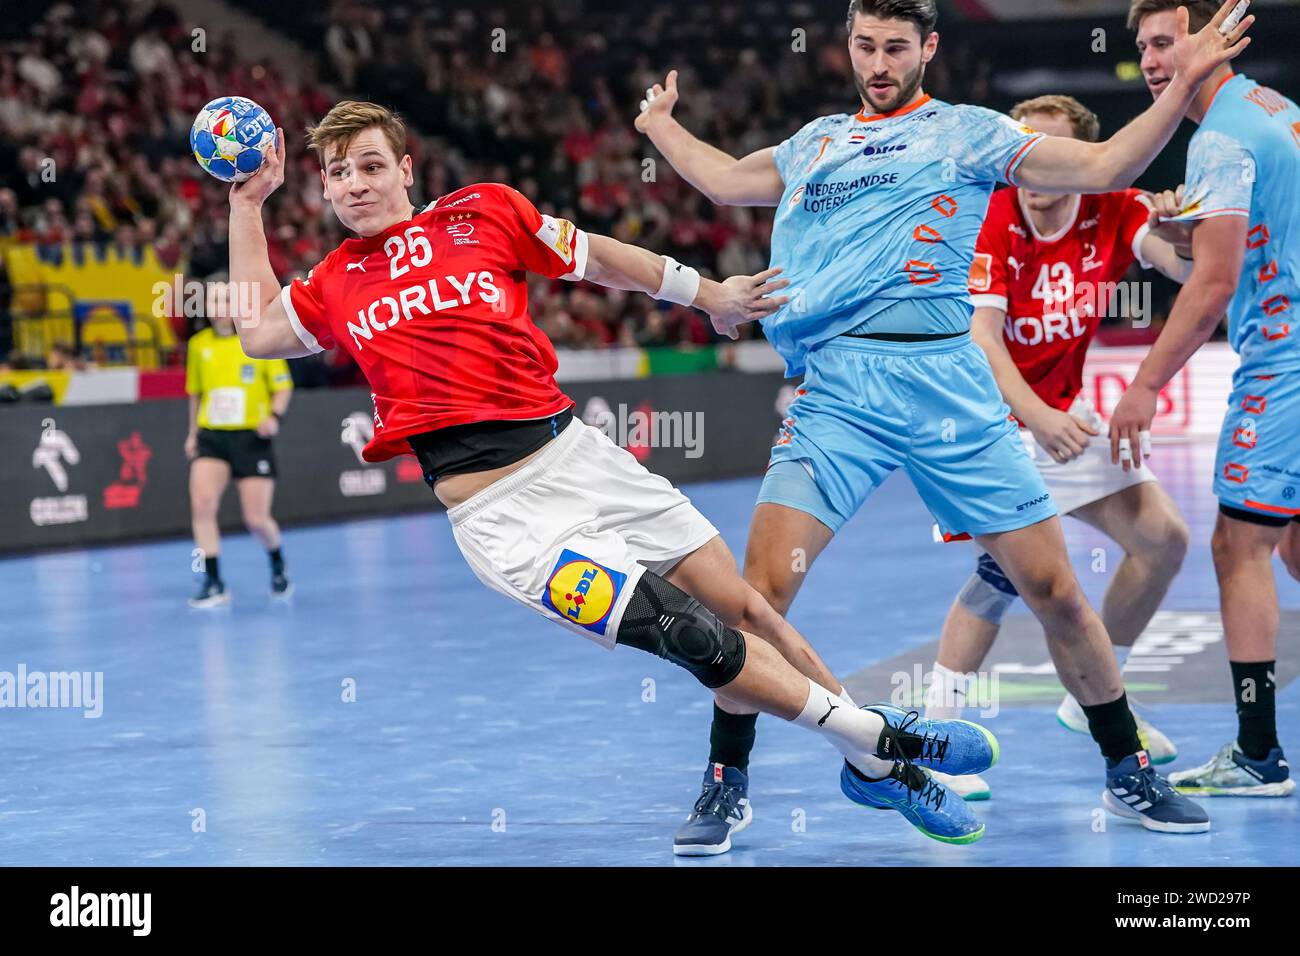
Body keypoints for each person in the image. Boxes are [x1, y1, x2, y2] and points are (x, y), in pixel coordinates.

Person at [225, 99, 1002, 847]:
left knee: (747, 612)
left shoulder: (484, 210)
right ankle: (877, 737)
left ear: (404, 167)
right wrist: (248, 202)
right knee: (687, 635)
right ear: (322, 187)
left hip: (580, 459)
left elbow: (599, 257)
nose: (354, 183)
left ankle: (869, 767)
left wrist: (711, 294)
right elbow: (254, 329)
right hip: (507, 521)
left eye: (368, 165)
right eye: (335, 173)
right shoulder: (333, 280)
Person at [635, 0, 1250, 851]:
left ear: (927, 48)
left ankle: (1126, 768)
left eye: (895, 47)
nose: (878, 63)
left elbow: (1109, 162)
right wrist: (661, 127)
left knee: (1056, 591)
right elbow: (726, 180)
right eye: (863, 46)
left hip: (947, 387)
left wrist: (1182, 83)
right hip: (837, 392)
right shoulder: (816, 142)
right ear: (847, 47)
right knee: (760, 596)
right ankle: (723, 781)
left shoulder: (970, 133)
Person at [922, 94, 1197, 800]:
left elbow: (1182, 268)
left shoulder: (1114, 207)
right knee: (1004, 575)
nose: (1035, 166)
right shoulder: (991, 215)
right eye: (1023, 149)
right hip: (980, 417)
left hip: (1057, 416)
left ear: (1085, 160)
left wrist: (1188, 231)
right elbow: (982, 341)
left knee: (1163, 539)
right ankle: (932, 737)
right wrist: (1038, 416)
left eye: (1052, 151)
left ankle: (1089, 695)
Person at [1110, 0, 1296, 798]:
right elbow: (1251, 237)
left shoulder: (1219, 136)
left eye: (1167, 41)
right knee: (1290, 544)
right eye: (1145, 46)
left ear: (1208, 36)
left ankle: (1258, 754)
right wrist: (1189, 229)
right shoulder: (1272, 107)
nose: (1154, 60)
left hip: (1284, 361)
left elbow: (1217, 281)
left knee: (1239, 546)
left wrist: (1145, 385)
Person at [185, 276, 294, 607]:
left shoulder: (258, 341)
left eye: (226, 302)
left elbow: (282, 387)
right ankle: (214, 582)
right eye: (215, 303)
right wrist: (192, 433)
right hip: (212, 436)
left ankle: (277, 564)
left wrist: (273, 418)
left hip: (250, 437)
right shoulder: (198, 345)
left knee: (256, 519)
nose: (220, 310)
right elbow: (195, 394)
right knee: (202, 505)